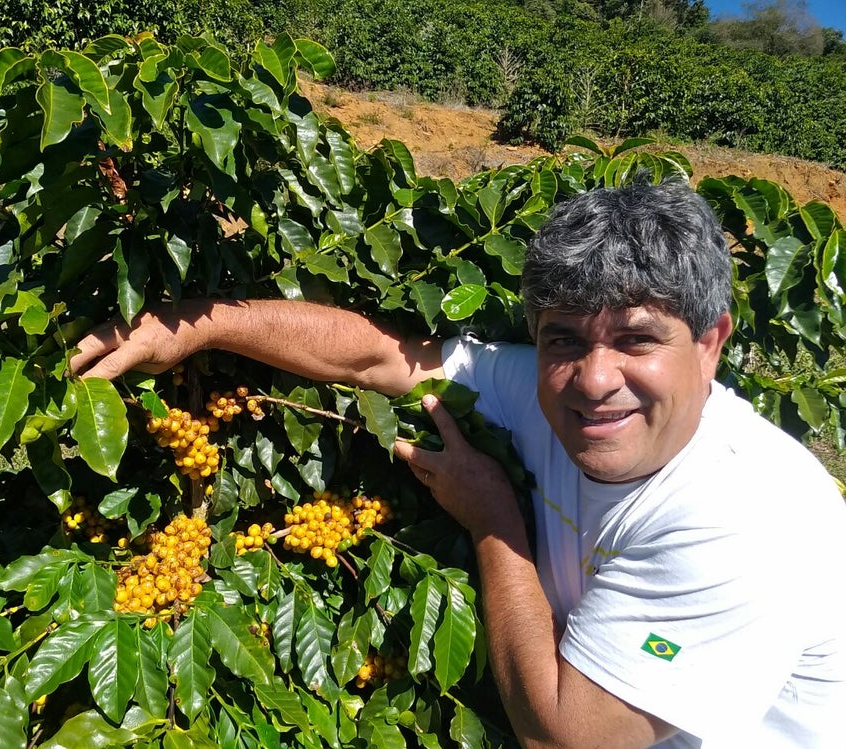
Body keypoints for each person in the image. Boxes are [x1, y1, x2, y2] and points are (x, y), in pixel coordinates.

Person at [70, 178, 846, 748]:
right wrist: (190, 327)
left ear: (711, 342)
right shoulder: (538, 388)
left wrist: (495, 521)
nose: (595, 377)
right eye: (565, 338)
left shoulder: (750, 518)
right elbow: (380, 359)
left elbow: (561, 735)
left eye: (638, 339)